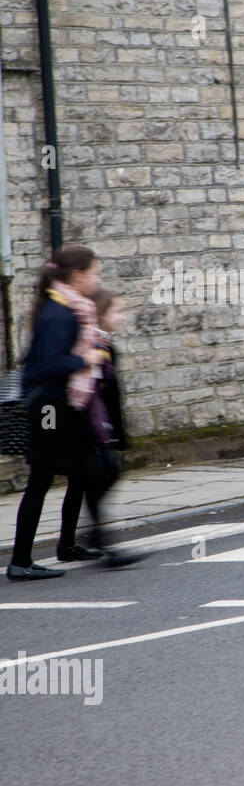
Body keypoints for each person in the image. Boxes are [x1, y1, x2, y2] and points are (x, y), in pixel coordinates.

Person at [8, 245, 104, 580]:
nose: (98, 279)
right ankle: (20, 561)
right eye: (95, 273)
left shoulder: (68, 309)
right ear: (77, 276)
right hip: (47, 405)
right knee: (42, 477)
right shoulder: (58, 313)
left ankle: (67, 545)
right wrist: (86, 361)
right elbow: (47, 364)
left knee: (81, 471)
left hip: (61, 402)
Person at [82, 288, 143, 567]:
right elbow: (93, 393)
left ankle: (89, 537)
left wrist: (117, 433)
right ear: (100, 314)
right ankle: (98, 539)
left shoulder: (107, 346)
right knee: (101, 476)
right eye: (116, 311)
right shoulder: (94, 347)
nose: (120, 317)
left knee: (102, 476)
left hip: (103, 428)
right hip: (90, 428)